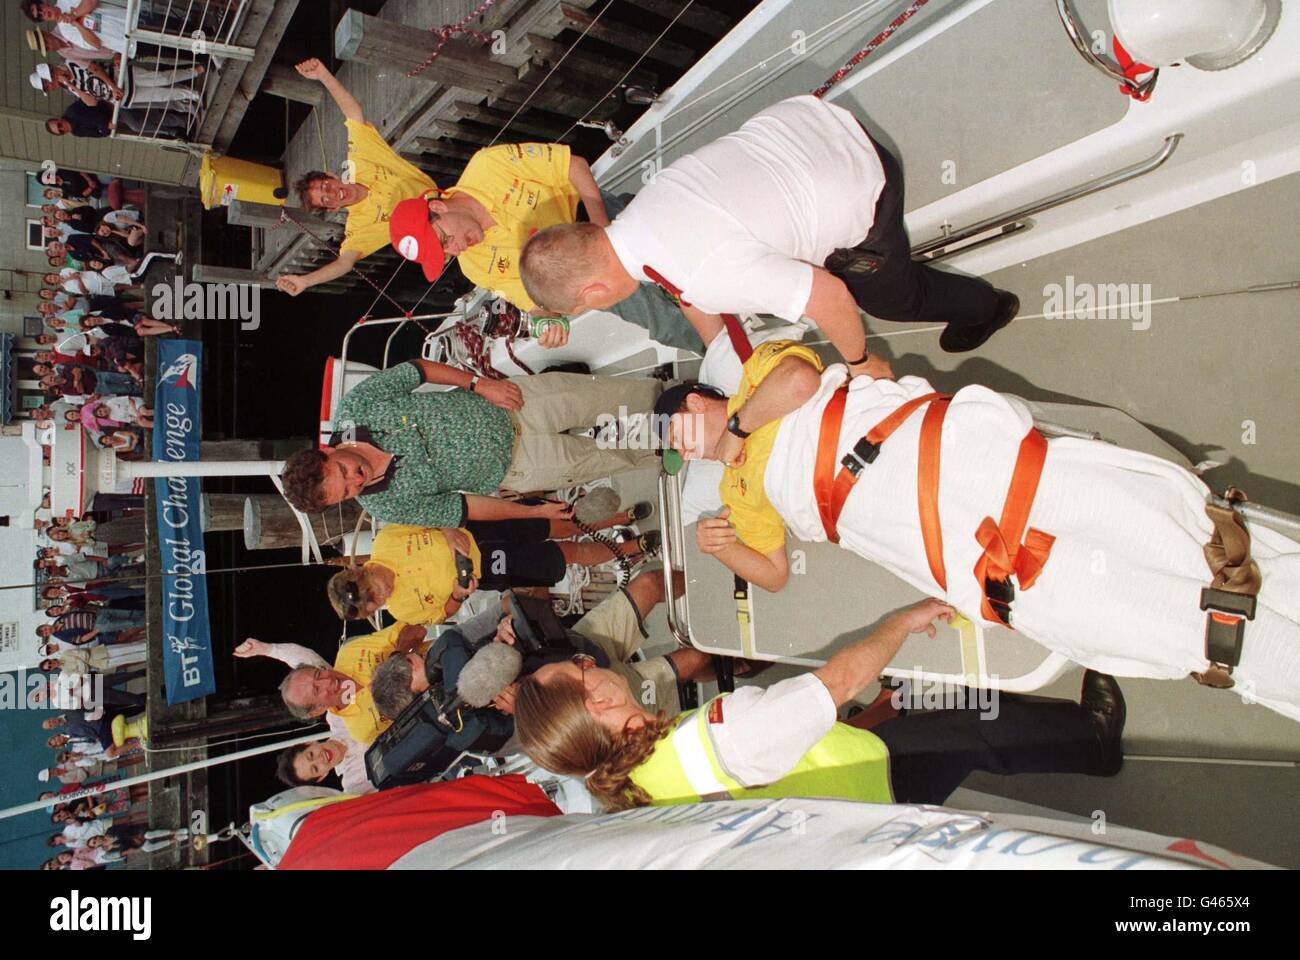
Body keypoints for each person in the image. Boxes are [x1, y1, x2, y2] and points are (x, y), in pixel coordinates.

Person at [661, 339, 1300, 722]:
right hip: (972, 554)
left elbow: (800, 381)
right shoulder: (736, 494)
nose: (686, 454)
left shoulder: (759, 373)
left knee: (1205, 542)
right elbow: (773, 575)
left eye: (679, 439)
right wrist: (733, 550)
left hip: (984, 463)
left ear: (695, 404)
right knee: (1191, 634)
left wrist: (742, 429)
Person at [520, 95, 1021, 372]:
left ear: (594, 291)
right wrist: (727, 359)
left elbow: (828, 298)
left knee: (891, 300)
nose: (596, 308)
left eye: (587, 306)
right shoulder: (646, 208)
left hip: (863, 178)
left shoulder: (702, 274)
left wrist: (861, 361)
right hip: (812, 123)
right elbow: (686, 289)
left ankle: (990, 306)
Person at [515, 599, 1125, 811]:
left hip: (846, 800)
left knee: (959, 735)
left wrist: (866, 718)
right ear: (594, 698)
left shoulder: (626, 786)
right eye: (582, 664)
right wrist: (900, 622)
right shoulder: (715, 738)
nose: (591, 660)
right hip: (873, 785)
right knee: (978, 731)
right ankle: (1095, 740)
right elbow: (835, 683)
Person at [278, 357, 661, 526]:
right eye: (347, 492)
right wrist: (533, 512)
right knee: (618, 456)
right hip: (520, 466)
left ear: (327, 450)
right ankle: (683, 443)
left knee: (611, 397)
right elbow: (463, 508)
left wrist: (480, 383)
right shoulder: (385, 505)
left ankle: (689, 398)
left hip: (513, 404)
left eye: (344, 472)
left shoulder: (357, 406)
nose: (356, 481)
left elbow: (417, 370)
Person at [273, 59, 439, 297]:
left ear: (332, 175)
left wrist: (324, 76)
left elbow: (353, 113)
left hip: (442, 194)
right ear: (331, 209)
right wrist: (305, 281)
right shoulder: (358, 228)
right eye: (325, 200)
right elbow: (344, 263)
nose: (331, 194)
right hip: (436, 232)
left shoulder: (361, 159)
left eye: (326, 186)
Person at [326, 516, 654, 625]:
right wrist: (457, 594)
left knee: (559, 523)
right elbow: (443, 613)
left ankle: (617, 518)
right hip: (493, 570)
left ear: (362, 572)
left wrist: (446, 530)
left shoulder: (385, 541)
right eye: (373, 605)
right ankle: (633, 548)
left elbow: (427, 514)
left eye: (371, 593)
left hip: (482, 533)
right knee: (566, 554)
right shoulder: (401, 610)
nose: (379, 599)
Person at [235, 625, 431, 746]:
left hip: (445, 653)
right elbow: (419, 732)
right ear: (318, 710)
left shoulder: (349, 652)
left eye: (319, 674)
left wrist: (396, 661)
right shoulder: (361, 731)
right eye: (317, 690)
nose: (328, 681)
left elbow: (415, 629)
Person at [273, 738, 374, 795]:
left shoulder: (337, 715)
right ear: (322, 776)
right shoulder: (354, 785)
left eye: (311, 754)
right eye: (315, 768)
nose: (320, 759)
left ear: (310, 742)